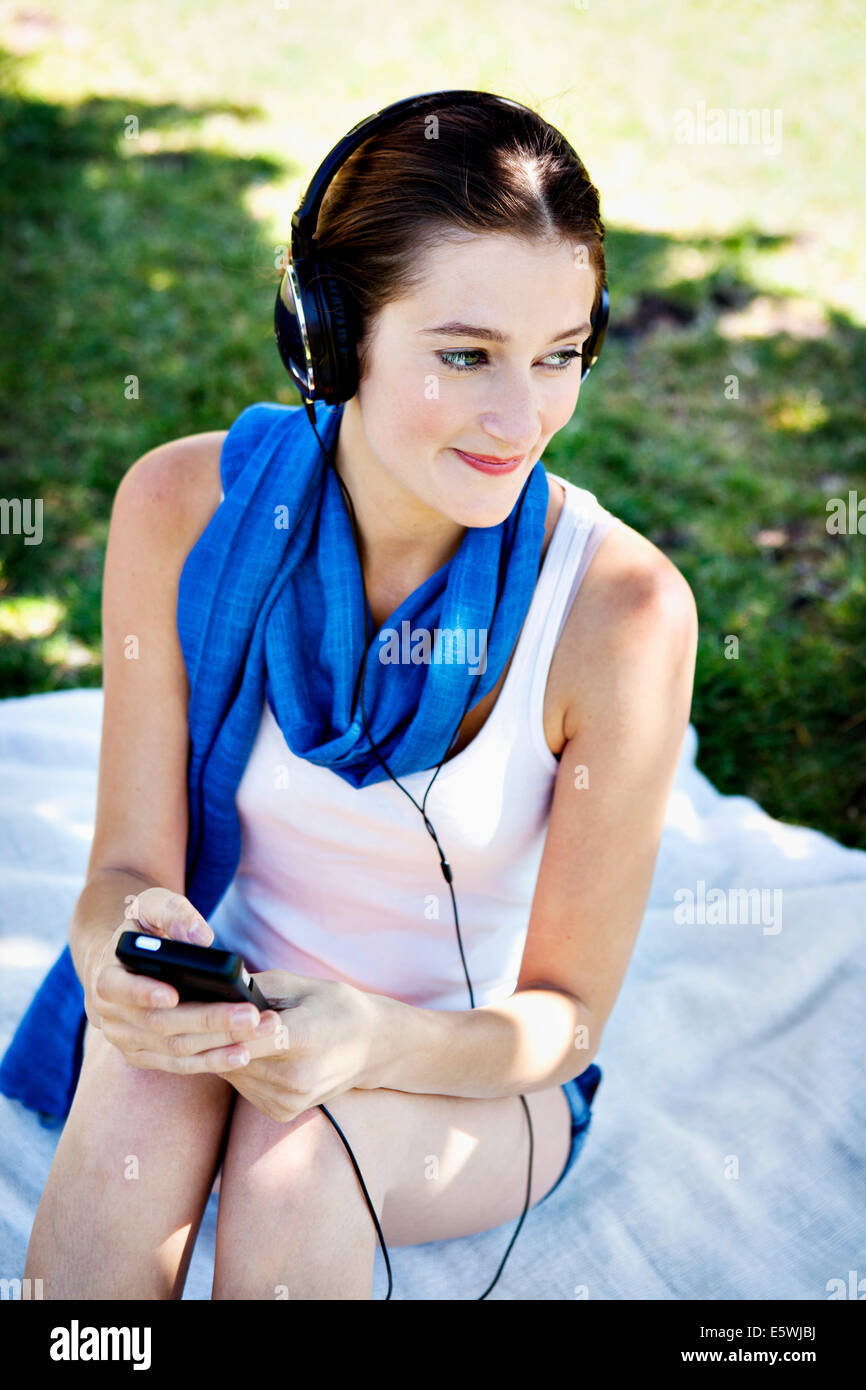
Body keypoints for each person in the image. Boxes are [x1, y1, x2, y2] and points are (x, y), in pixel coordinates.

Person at [14, 93, 697, 1299]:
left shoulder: (620, 614)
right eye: (464, 354)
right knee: (131, 1092)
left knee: (296, 1161)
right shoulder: (179, 510)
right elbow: (124, 868)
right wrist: (114, 955)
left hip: (466, 1069)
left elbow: (565, 1022)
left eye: (558, 357)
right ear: (329, 336)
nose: (518, 417)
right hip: (223, 1002)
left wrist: (372, 1042)